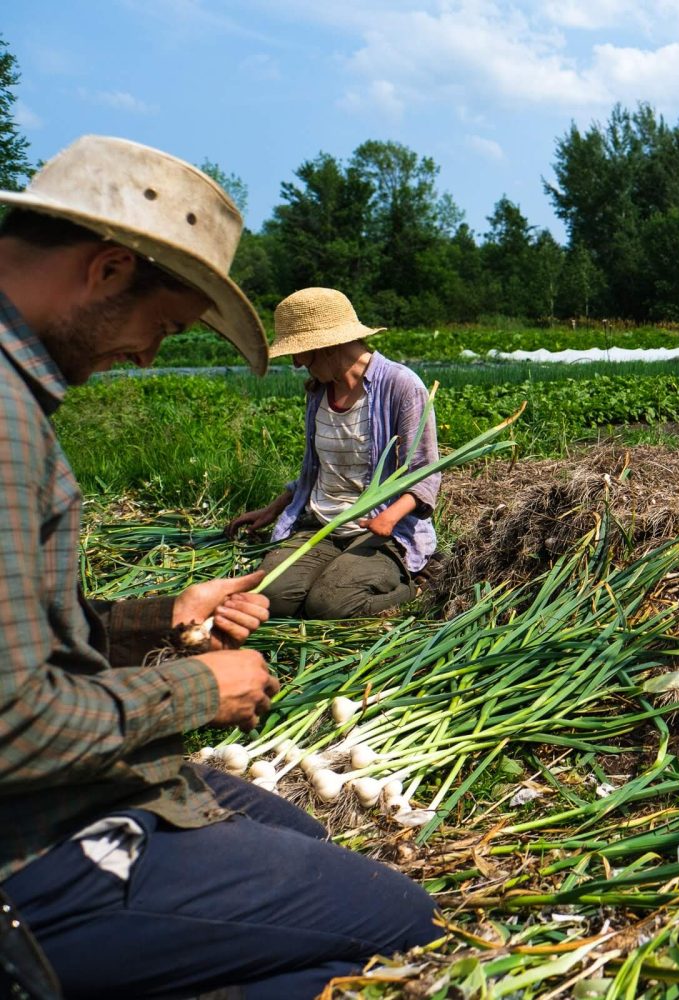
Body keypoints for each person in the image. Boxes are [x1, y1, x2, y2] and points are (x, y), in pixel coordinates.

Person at [0, 136, 437, 999]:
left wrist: (159, 615)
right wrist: (205, 688)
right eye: (163, 325)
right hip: (31, 845)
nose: (151, 355)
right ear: (109, 270)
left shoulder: (19, 398)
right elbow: (14, 722)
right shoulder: (6, 422)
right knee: (403, 924)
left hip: (69, 787)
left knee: (306, 839)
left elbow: (26, 636)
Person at [227, 287, 441, 620]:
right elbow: (318, 471)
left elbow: (425, 471)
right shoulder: (319, 393)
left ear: (327, 346)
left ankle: (417, 585)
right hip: (321, 526)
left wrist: (389, 517)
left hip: (378, 532)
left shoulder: (401, 386)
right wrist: (273, 509)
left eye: (302, 353)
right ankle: (330, 573)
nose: (297, 364)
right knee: (269, 599)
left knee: (329, 605)